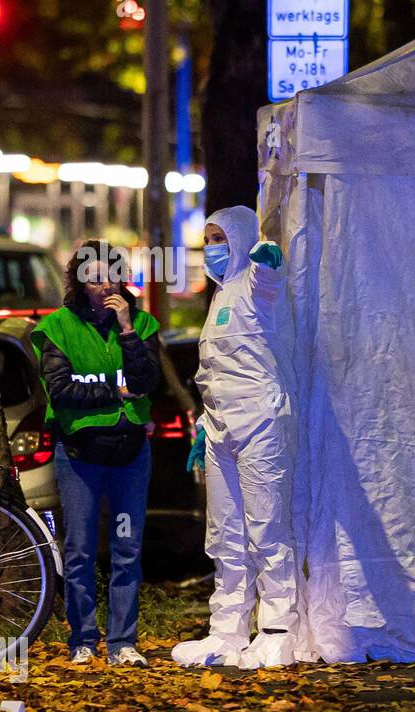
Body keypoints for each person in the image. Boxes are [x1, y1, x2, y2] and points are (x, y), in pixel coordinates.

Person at [172, 206, 303, 669]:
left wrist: (268, 259)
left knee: (267, 530)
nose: (211, 249)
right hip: (221, 429)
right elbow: (212, 373)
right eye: (206, 240)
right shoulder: (220, 296)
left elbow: (271, 277)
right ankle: (226, 631)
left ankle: (278, 630)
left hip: (261, 424)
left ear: (240, 238)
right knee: (224, 534)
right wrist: (203, 430)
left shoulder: (252, 284)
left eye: (218, 238)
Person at [31, 240, 161, 667]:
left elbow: (145, 381)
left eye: (110, 274)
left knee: (127, 548)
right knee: (81, 551)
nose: (103, 283)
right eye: (93, 275)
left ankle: (123, 641)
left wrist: (126, 329)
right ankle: (82, 640)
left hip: (130, 457)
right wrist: (116, 391)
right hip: (82, 457)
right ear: (78, 279)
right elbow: (62, 391)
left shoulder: (141, 323)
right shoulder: (57, 328)